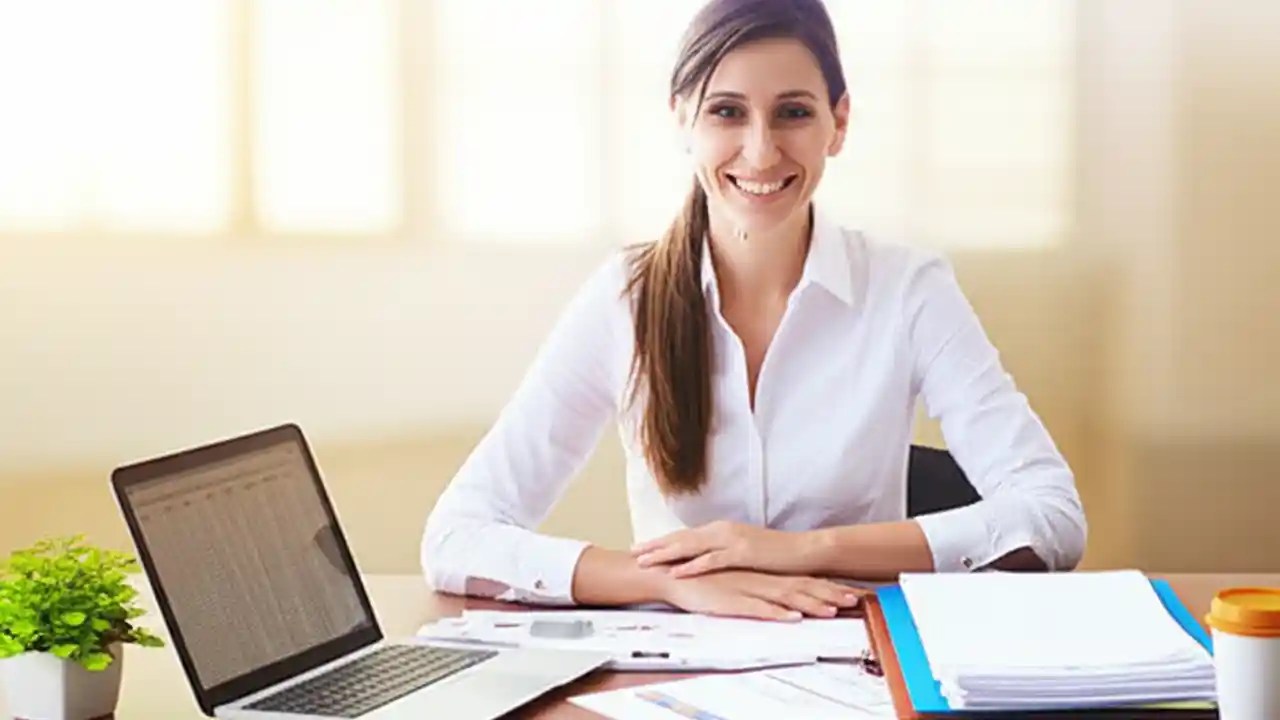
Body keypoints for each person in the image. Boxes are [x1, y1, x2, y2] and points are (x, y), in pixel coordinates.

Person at [421, 0, 1086, 621]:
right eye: (727, 112)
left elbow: (1051, 514)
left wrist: (807, 550)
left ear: (839, 123)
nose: (762, 151)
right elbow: (457, 536)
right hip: (672, 670)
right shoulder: (626, 298)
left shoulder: (909, 289)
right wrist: (663, 580)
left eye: (793, 112)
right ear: (683, 118)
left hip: (859, 662)